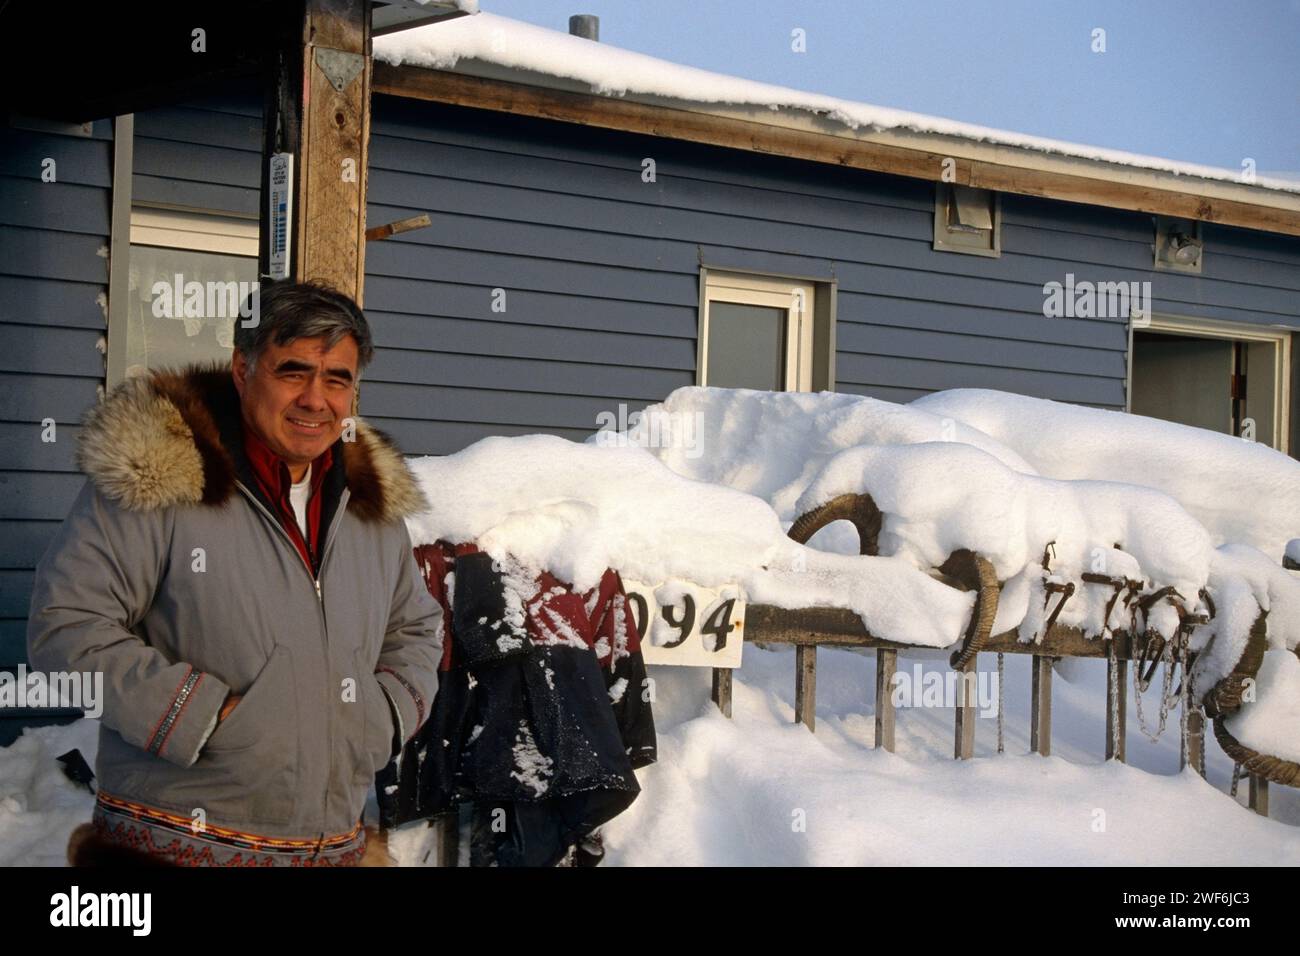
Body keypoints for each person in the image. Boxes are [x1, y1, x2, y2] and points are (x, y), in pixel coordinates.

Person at [27, 280, 442, 866]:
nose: (315, 399)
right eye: (293, 371)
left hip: (334, 845)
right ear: (243, 371)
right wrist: (201, 716)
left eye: (337, 379)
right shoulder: (162, 475)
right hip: (176, 845)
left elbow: (416, 630)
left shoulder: (368, 501)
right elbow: (65, 626)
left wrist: (384, 715)